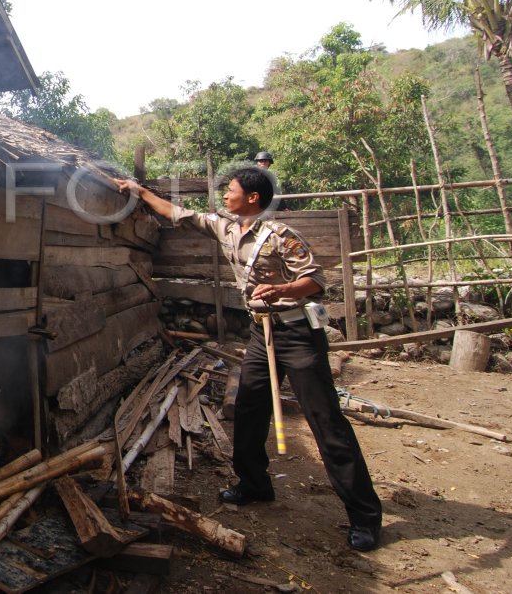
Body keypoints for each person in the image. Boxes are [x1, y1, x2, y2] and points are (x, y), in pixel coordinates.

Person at [118, 168, 382, 551]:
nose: (225, 195)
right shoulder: (225, 227)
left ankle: (365, 517)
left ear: (253, 198)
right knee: (248, 408)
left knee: (326, 421)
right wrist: (139, 191)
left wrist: (281, 289)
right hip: (262, 333)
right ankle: (255, 484)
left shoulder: (281, 236)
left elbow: (317, 280)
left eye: (231, 190)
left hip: (298, 336)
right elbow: (178, 214)